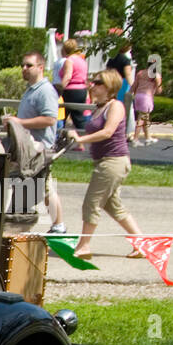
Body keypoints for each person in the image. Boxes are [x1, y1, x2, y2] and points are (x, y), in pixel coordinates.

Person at [67, 69, 145, 261]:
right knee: (113, 205)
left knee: (92, 202)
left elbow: (108, 132)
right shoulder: (99, 107)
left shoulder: (115, 106)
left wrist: (81, 139)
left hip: (114, 161)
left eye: (98, 82)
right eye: (92, 81)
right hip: (105, 161)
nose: (93, 85)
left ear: (109, 86)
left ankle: (84, 245)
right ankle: (142, 244)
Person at [2, 50, 66, 233]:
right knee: (43, 187)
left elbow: (50, 119)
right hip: (29, 149)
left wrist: (19, 122)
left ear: (40, 67)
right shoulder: (31, 90)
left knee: (44, 187)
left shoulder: (45, 91)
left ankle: (57, 226)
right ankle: (56, 225)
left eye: (29, 65)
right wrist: (13, 121)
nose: (24, 68)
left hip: (39, 149)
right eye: (23, 65)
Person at [59, 38, 89, 133]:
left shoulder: (69, 60)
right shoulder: (82, 60)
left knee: (62, 115)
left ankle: (58, 137)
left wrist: (59, 90)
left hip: (71, 90)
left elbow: (68, 76)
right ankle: (84, 139)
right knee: (79, 117)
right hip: (82, 89)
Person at [130, 59, 162, 145]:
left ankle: (148, 137)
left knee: (146, 118)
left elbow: (134, 85)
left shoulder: (141, 73)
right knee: (142, 118)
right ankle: (135, 139)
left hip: (138, 95)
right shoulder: (156, 76)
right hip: (147, 97)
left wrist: (130, 93)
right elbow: (159, 90)